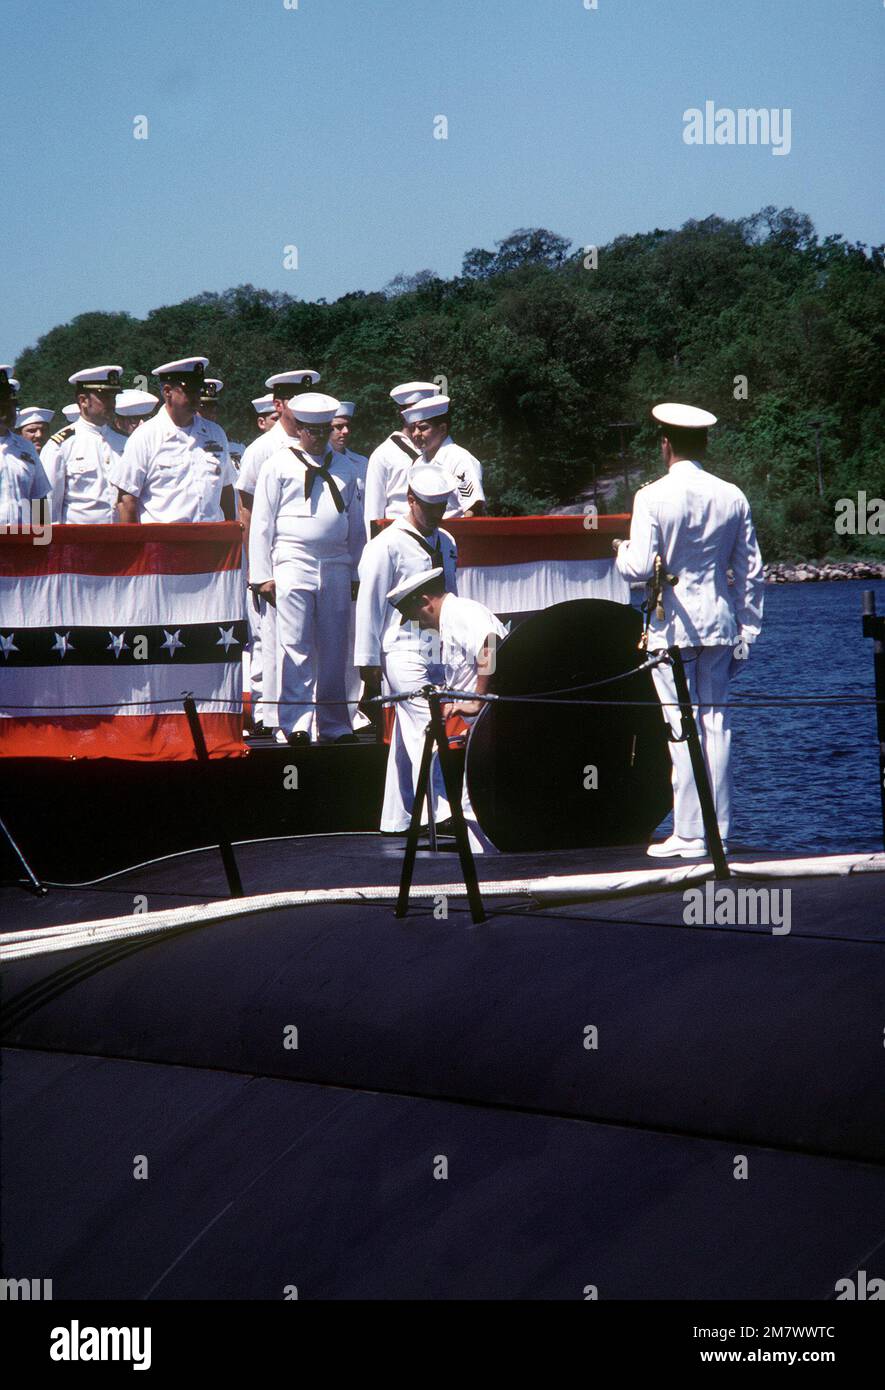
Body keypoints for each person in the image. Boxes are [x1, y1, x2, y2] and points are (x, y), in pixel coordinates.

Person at [613, 402, 764, 858]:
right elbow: (752, 571)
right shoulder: (732, 495)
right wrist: (749, 631)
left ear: (665, 444)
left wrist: (619, 549)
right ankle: (716, 829)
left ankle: (689, 832)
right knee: (715, 725)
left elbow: (638, 568)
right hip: (720, 626)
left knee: (680, 725)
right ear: (704, 444)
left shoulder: (651, 497)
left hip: (672, 628)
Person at [249, 393, 364, 747]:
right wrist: (261, 574)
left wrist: (357, 572)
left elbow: (356, 526)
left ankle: (334, 723)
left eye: (322, 430)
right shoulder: (277, 465)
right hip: (292, 560)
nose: (316, 437)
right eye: (310, 430)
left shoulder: (345, 468)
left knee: (334, 646)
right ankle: (296, 722)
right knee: (294, 644)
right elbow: (261, 523)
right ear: (298, 428)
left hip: (336, 564)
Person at [355, 462, 459, 832]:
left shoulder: (447, 542)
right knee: (425, 724)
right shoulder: (385, 545)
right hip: (401, 647)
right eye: (429, 506)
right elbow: (369, 604)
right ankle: (445, 810)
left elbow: (452, 598)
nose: (436, 514)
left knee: (407, 733)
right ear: (410, 500)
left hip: (435, 647)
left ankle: (397, 818)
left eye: (442, 506)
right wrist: (367, 663)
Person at [389, 569, 505, 852]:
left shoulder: (462, 613)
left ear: (425, 601)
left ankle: (492, 875)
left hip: (493, 719)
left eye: (415, 617)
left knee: (472, 803)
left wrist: (477, 700)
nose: (417, 626)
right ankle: (486, 870)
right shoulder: (451, 621)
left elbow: (489, 644)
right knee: (471, 803)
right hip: (482, 725)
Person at [237, 368, 320, 734]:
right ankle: (269, 715)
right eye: (294, 402)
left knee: (309, 640)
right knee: (272, 641)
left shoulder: (318, 441)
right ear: (278, 404)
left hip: (310, 559)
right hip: (273, 560)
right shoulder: (262, 449)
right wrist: (258, 570)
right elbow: (247, 510)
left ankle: (311, 715)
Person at [108, 358, 236, 523]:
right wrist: (135, 547)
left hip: (210, 543)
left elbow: (226, 490)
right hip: (163, 543)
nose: (197, 397)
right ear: (167, 391)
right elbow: (127, 501)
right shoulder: (145, 437)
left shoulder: (216, 433)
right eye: (189, 391)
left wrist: (231, 535)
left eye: (199, 390)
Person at [41, 365, 128, 524]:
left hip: (119, 540)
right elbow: (47, 504)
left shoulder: (124, 442)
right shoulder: (61, 445)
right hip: (77, 542)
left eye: (113, 396)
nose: (111, 403)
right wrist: (49, 546)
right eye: (104, 397)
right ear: (83, 401)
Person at [363, 381, 436, 537]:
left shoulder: (438, 450)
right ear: (401, 413)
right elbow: (373, 512)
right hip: (399, 536)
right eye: (414, 410)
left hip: (434, 534)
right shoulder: (384, 454)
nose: (420, 416)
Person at [404, 393, 485, 518]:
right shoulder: (418, 462)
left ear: (442, 429)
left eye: (423, 428)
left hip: (455, 534)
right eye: (413, 428)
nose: (415, 434)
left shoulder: (459, 459)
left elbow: (473, 508)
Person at [0, 365, 50, 528]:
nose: (10, 412)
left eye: (12, 404)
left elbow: (39, 500)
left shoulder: (25, 447)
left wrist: (42, 544)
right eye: (3, 405)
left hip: (22, 545)